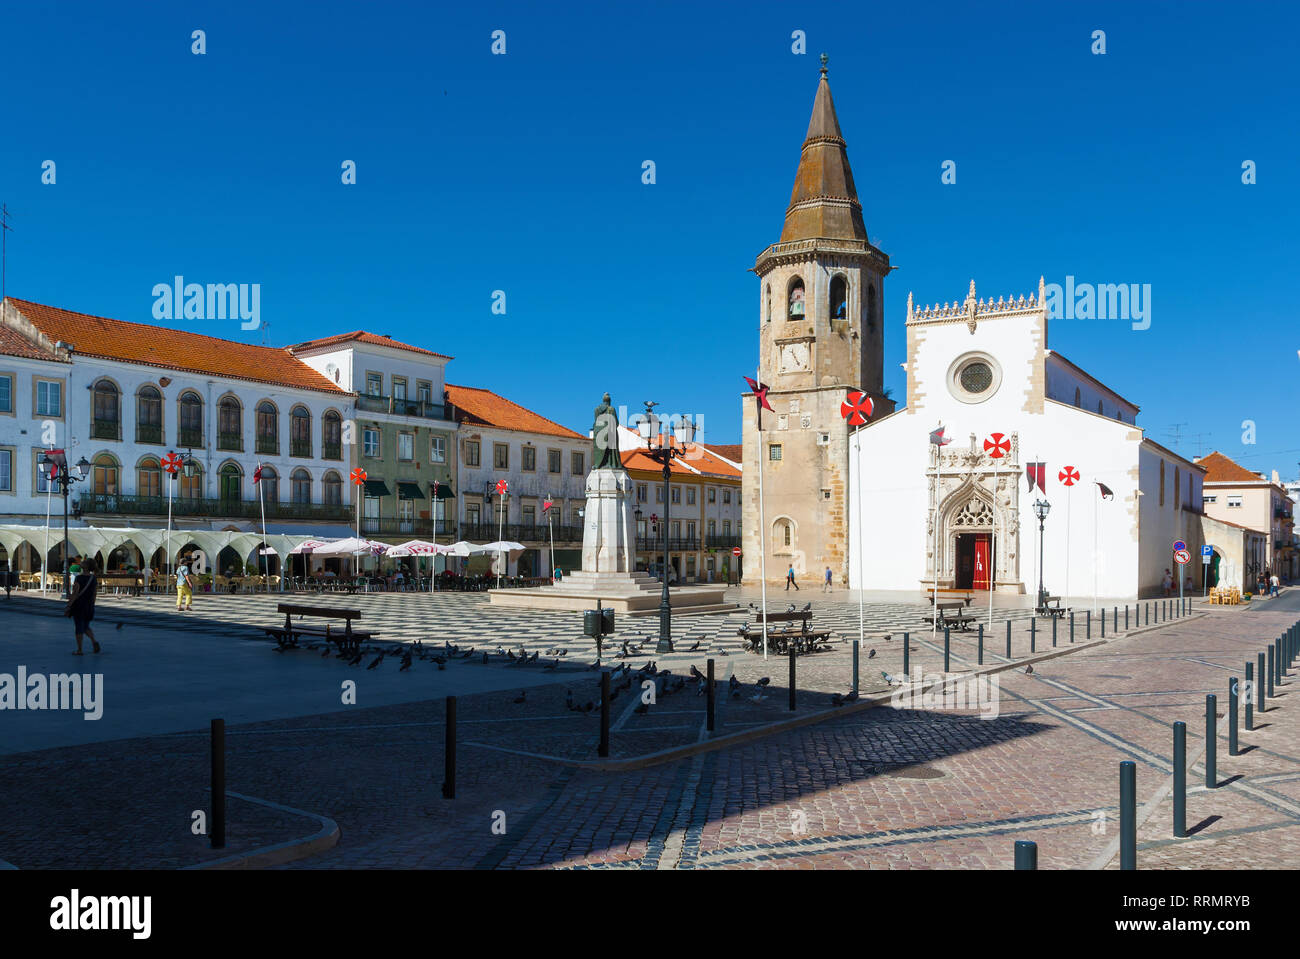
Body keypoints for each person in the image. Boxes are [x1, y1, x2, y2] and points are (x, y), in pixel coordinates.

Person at [64, 557, 101, 655]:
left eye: (84, 562)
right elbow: (94, 594)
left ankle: (79, 649)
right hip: (89, 605)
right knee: (85, 626)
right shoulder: (93, 578)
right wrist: (92, 605)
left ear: (86, 566)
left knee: (79, 627)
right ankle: (93, 641)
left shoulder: (79, 578)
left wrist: (69, 605)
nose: (81, 562)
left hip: (79, 605)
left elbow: (75, 593)